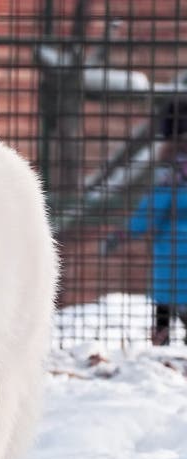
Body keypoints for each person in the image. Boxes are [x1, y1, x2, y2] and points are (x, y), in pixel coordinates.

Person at [103, 99, 187, 345]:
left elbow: (152, 211)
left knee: (165, 308)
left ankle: (160, 347)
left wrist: (121, 235)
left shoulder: (171, 170)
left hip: (173, 254)